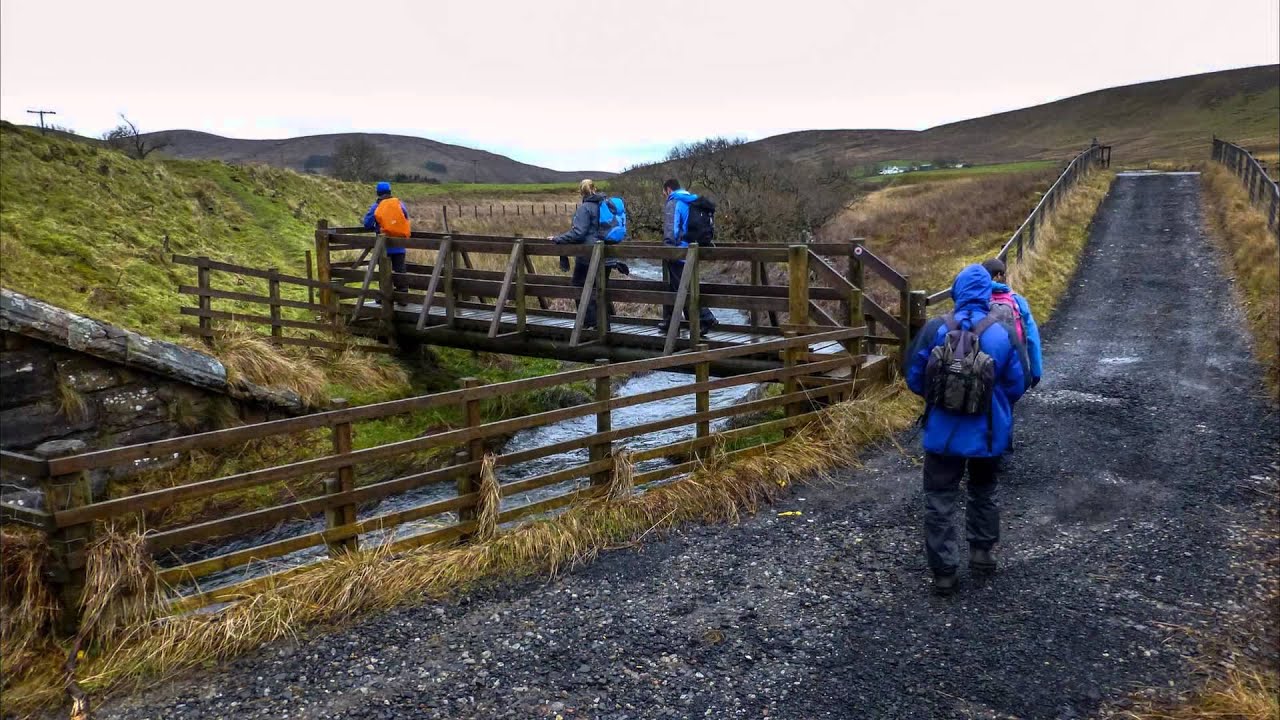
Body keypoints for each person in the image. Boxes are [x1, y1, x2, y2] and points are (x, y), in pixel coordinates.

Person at [905, 264, 1027, 595]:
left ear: (957, 291)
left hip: (942, 435)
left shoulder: (935, 329)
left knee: (940, 500)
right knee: (983, 491)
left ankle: (944, 573)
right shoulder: (1003, 332)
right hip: (987, 433)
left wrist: (941, 400)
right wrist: (995, 403)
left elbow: (914, 376)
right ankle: (982, 554)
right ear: (988, 293)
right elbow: (1019, 382)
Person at [659, 178, 717, 334]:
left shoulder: (674, 202)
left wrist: (669, 251)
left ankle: (705, 318)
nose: (664, 195)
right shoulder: (692, 200)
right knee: (680, 286)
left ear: (669, 190)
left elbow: (672, 231)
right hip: (693, 250)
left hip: (680, 252)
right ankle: (671, 321)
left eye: (664, 192)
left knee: (682, 288)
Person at [551, 179, 610, 329]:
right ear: (595, 189)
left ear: (581, 192)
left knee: (579, 285)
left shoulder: (585, 208)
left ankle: (590, 323)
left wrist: (558, 239)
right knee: (600, 287)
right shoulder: (606, 204)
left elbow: (578, 233)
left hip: (587, 254)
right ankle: (604, 324)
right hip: (607, 252)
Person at [982, 258, 1042, 389]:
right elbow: (1031, 335)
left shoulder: (978, 299)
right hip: (1012, 362)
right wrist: (1036, 371)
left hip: (980, 364)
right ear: (998, 275)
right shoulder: (1016, 300)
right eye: (1003, 274)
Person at [362, 181, 411, 292]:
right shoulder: (399, 204)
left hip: (384, 246)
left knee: (384, 272)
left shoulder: (377, 206)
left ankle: (384, 297)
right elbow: (406, 218)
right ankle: (403, 294)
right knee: (400, 270)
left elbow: (367, 224)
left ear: (378, 193)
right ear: (390, 192)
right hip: (400, 245)